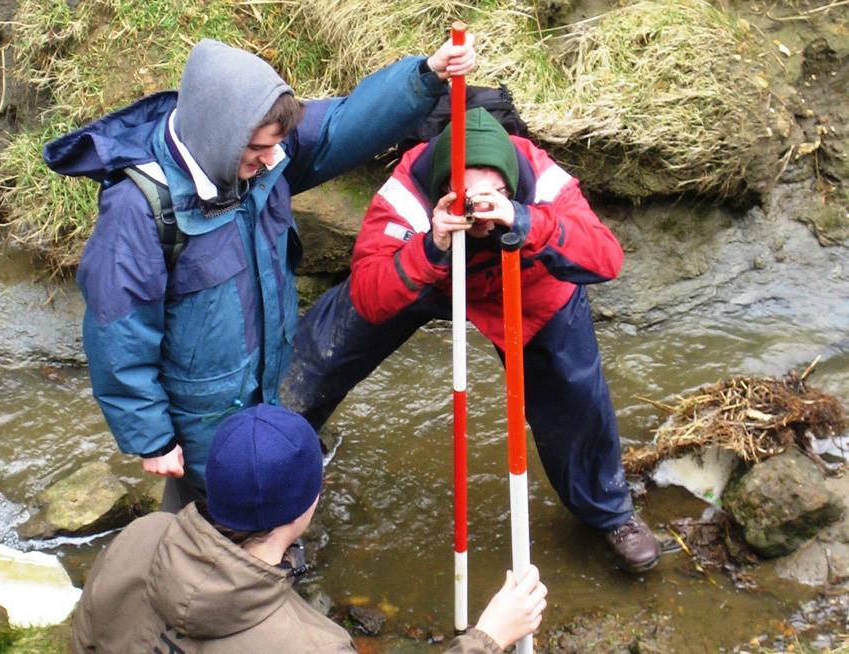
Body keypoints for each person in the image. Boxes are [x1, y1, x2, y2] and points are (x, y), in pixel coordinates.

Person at [43, 36, 476, 511]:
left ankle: (267, 565)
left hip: (264, 385)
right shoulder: (138, 208)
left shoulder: (261, 153)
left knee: (261, 508)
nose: (273, 160)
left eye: (276, 146)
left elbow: (341, 126)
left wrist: (425, 76)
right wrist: (151, 438)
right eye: (259, 149)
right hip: (202, 417)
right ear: (220, 137)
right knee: (205, 519)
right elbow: (118, 330)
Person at [282, 107, 662, 572]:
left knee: (575, 394)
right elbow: (368, 295)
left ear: (512, 180)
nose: (481, 208)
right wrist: (429, 246)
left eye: (495, 192)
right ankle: (273, 486)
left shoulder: (541, 180)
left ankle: (610, 512)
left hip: (525, 283)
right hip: (429, 270)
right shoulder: (407, 196)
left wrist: (525, 220)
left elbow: (605, 258)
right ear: (442, 189)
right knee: (319, 353)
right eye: (467, 196)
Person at [72, 404, 548, 653]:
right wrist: (487, 636)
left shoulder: (140, 537)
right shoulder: (313, 644)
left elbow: (86, 641)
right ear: (306, 507)